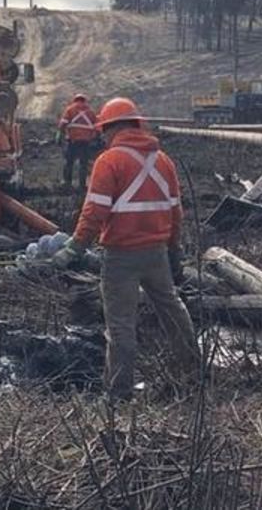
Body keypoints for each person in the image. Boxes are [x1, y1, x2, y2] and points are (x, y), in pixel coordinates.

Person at [52, 97, 200, 400]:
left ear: (112, 128)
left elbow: (95, 212)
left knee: (120, 325)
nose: (103, 136)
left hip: (121, 257)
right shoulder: (163, 160)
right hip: (157, 252)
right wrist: (174, 252)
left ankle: (119, 394)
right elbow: (176, 211)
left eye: (104, 129)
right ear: (136, 124)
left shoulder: (110, 161)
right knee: (173, 309)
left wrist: (74, 248)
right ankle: (193, 372)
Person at [57, 94, 98, 189]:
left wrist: (59, 135)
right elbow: (97, 127)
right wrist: (93, 138)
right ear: (85, 101)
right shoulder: (91, 112)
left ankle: (67, 183)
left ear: (75, 100)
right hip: (85, 142)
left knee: (69, 162)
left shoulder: (70, 109)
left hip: (72, 140)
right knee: (83, 164)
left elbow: (63, 123)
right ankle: (82, 185)